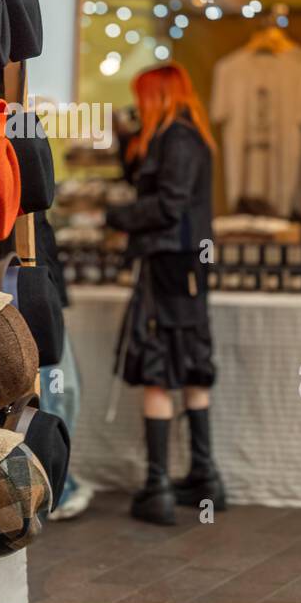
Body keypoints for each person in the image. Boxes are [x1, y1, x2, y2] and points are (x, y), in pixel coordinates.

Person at [106, 63, 222, 526]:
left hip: (168, 265)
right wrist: (125, 141)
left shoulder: (177, 138)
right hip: (185, 266)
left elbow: (167, 204)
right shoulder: (185, 136)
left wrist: (115, 217)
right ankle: (203, 475)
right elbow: (146, 182)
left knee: (157, 365)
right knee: (191, 363)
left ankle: (158, 486)